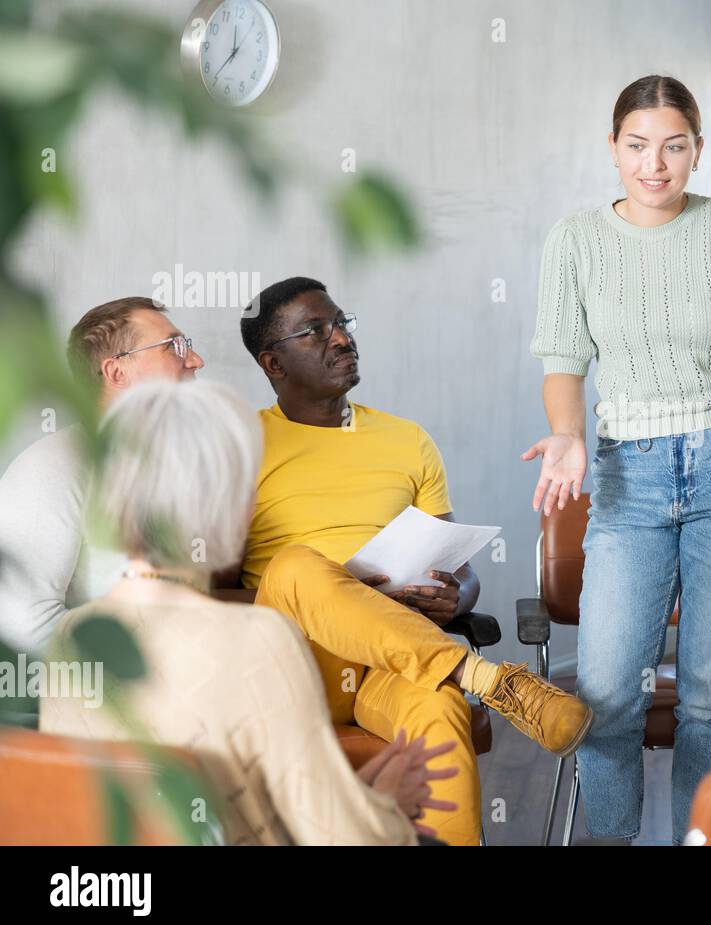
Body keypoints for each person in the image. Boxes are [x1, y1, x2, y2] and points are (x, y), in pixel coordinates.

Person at [525, 75, 711, 844]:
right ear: (613, 149)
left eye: (674, 147)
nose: (656, 165)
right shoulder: (575, 240)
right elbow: (562, 359)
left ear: (698, 150)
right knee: (608, 693)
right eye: (639, 146)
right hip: (628, 471)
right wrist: (568, 433)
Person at [232, 276, 591, 846]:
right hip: (296, 667)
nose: (342, 339)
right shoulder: (239, 446)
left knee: (439, 708)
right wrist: (335, 598)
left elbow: (458, 562)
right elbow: (212, 590)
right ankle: (488, 678)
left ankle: (465, 688)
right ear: (273, 363)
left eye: (343, 323)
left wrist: (458, 595)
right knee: (296, 566)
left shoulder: (407, 440)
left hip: (397, 662)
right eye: (316, 331)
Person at [41, 380, 451, 845]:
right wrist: (387, 811)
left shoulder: (70, 636)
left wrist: (360, 795)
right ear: (231, 506)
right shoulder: (259, 638)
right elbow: (340, 839)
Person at [0, 297, 203, 656]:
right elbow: (23, 625)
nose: (195, 360)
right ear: (117, 373)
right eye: (174, 346)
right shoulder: (55, 464)